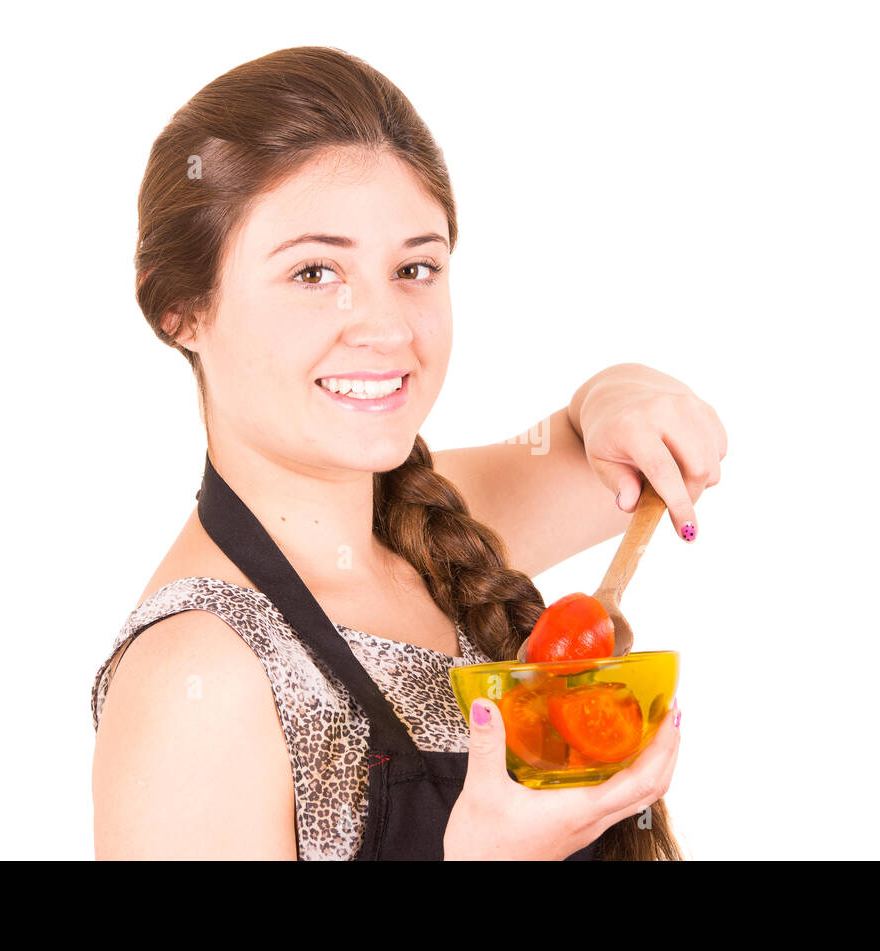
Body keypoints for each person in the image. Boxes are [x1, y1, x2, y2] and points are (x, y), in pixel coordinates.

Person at [90, 46, 726, 860]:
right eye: (316, 271)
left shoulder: (436, 514)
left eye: (414, 267)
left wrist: (618, 393)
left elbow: (608, 456)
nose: (388, 328)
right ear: (181, 309)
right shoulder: (196, 682)